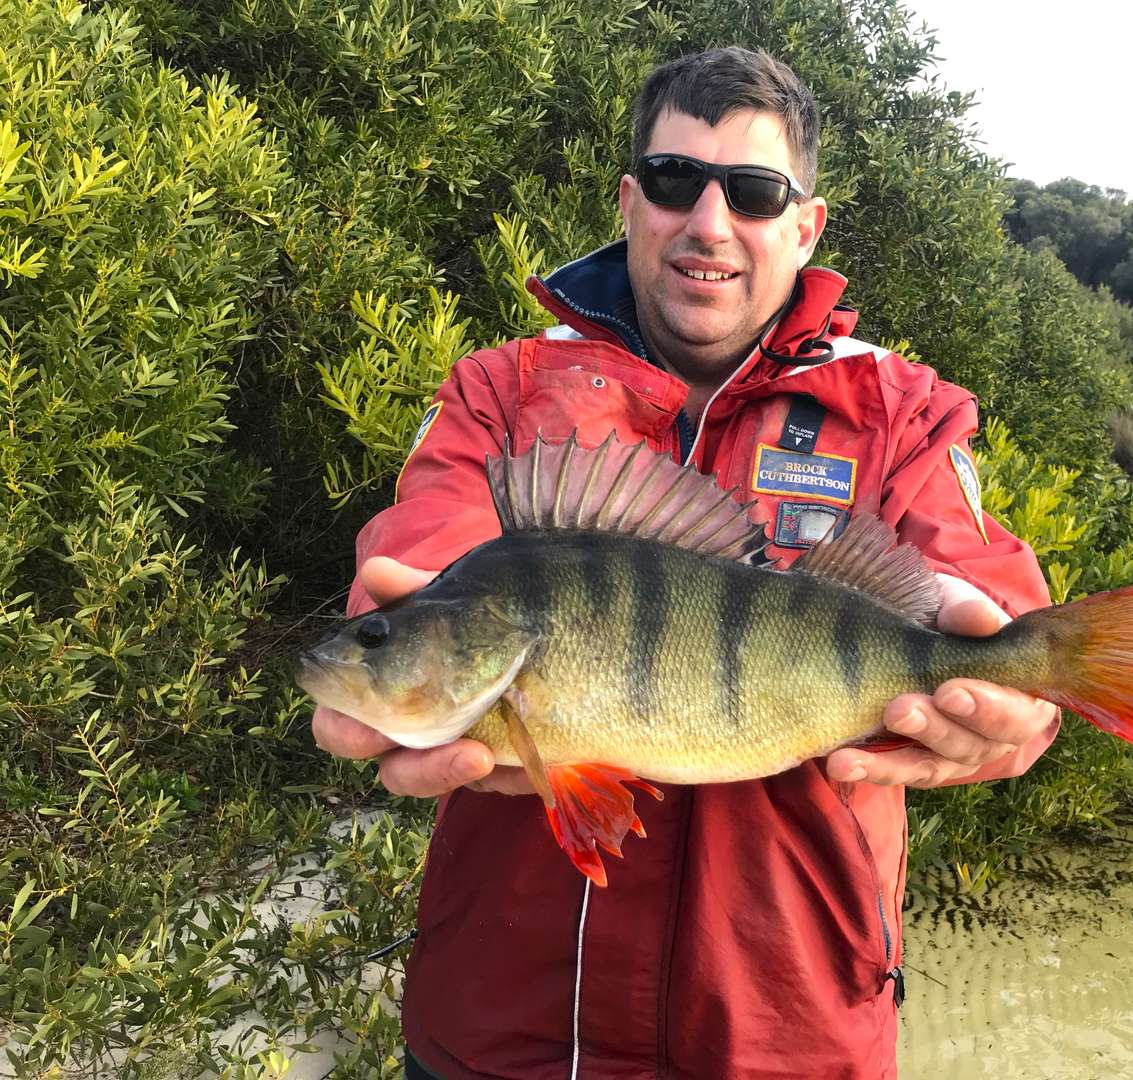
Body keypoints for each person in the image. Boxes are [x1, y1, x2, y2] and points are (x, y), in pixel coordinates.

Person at [313, 46, 1060, 1080]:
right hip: (500, 1038)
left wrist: (1023, 702)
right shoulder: (499, 392)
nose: (709, 222)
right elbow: (422, 555)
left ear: (806, 226)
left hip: (787, 1039)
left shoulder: (903, 413)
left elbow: (991, 597)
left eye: (754, 193)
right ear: (630, 201)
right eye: (675, 181)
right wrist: (389, 626)